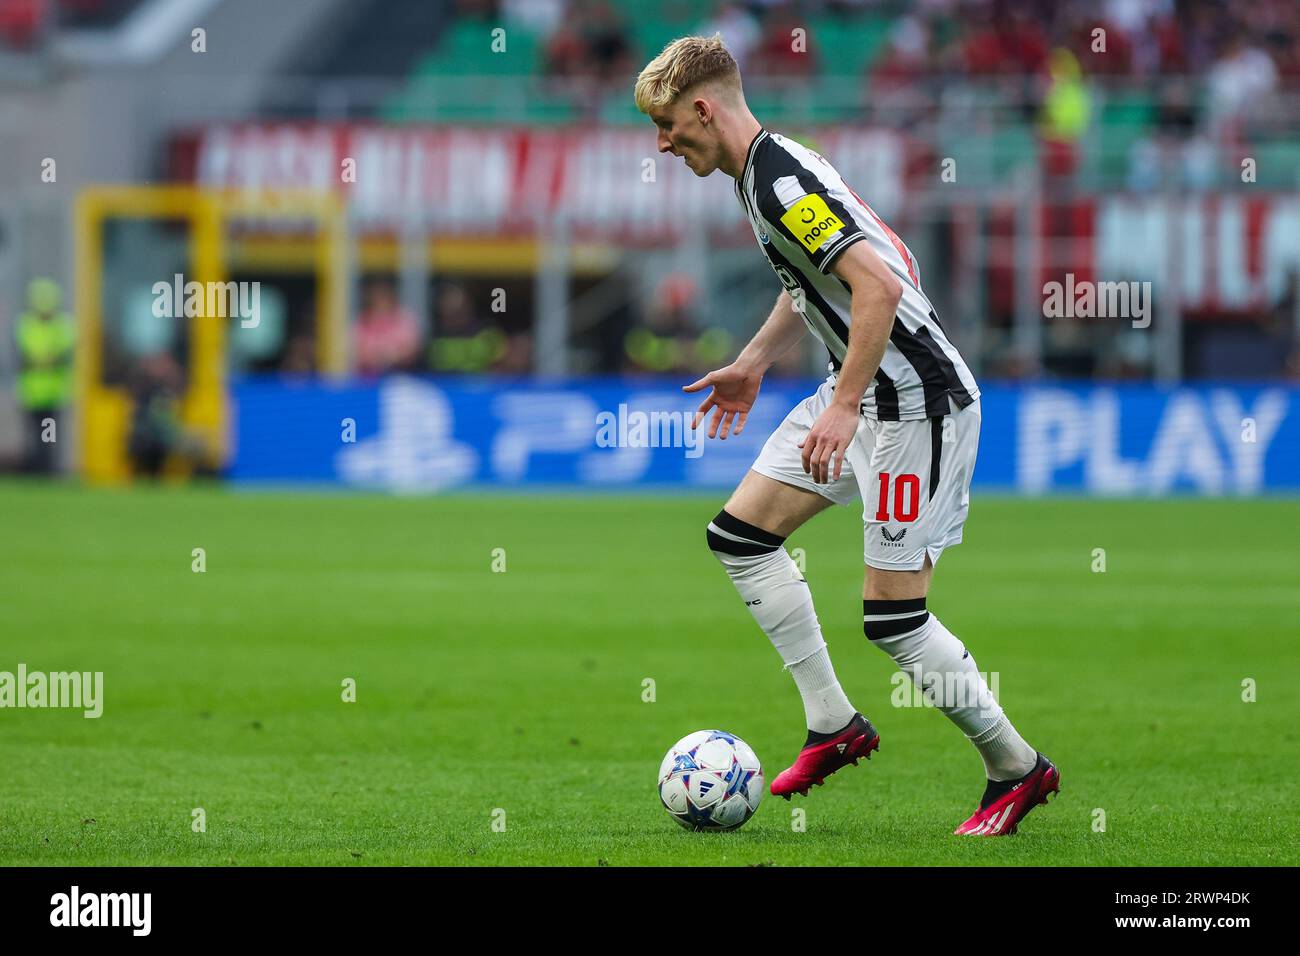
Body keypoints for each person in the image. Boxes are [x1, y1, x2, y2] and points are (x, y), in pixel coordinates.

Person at [634, 35, 1058, 836]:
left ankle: (1018, 768)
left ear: (702, 108)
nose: (662, 143)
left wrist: (845, 402)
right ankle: (835, 724)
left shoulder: (779, 178)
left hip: (914, 405)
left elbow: (879, 283)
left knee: (894, 622)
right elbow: (819, 280)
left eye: (666, 126)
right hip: (860, 393)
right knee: (740, 536)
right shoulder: (766, 168)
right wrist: (754, 363)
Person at [14, 277, 75, 475]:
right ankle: (36, 469)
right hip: (32, 393)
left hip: (54, 393)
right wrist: (45, 361)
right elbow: (22, 358)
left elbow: (64, 357)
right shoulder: (26, 325)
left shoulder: (63, 326)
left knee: (49, 436)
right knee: (34, 436)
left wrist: (40, 361)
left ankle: (47, 470)